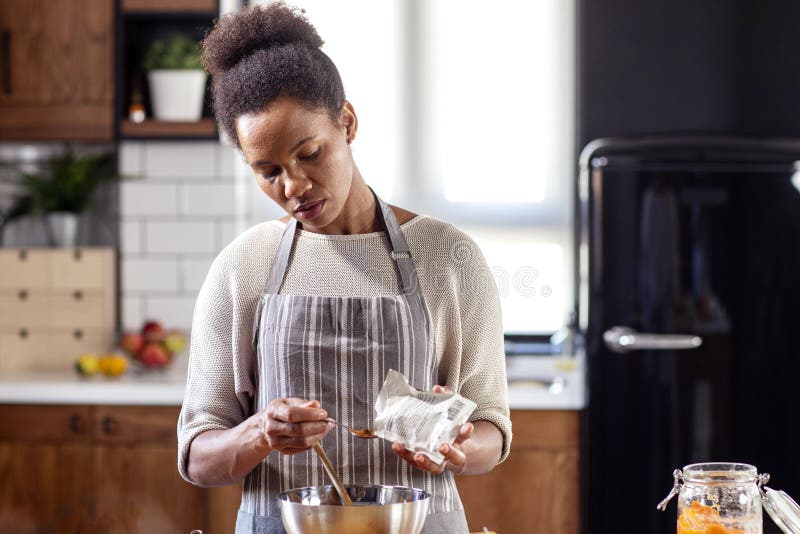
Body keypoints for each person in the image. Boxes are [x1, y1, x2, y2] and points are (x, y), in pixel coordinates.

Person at [177, 3, 511, 533]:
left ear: (347, 123)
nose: (292, 187)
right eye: (268, 172)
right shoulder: (244, 267)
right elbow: (197, 457)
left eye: (309, 154)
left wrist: (459, 446)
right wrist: (260, 432)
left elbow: (492, 432)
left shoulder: (450, 258)